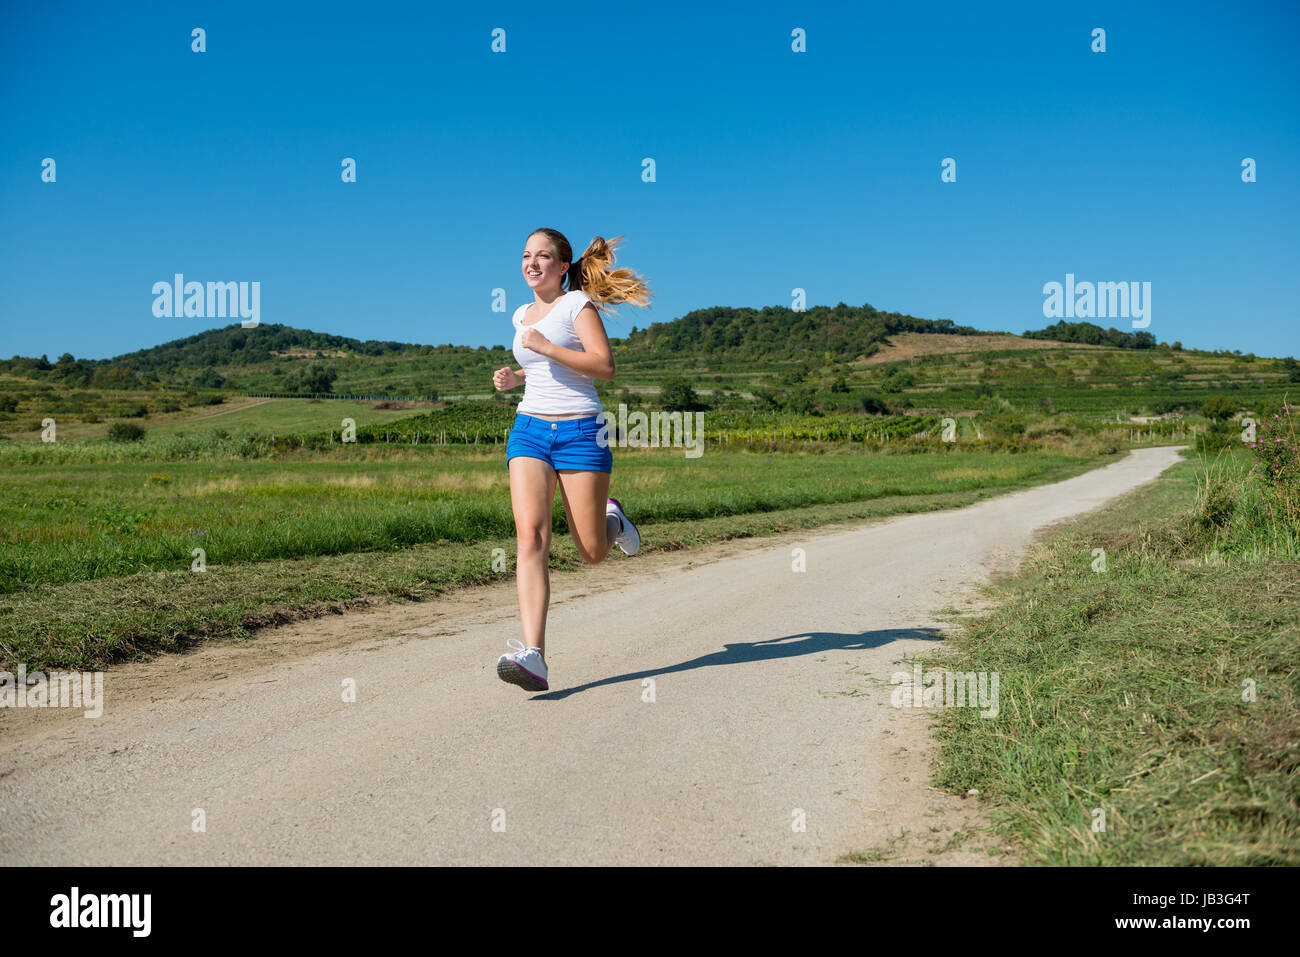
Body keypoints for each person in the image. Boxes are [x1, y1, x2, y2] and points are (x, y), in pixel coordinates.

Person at [491, 228, 652, 692]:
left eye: (543, 256)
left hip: (582, 432)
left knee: (591, 552)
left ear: (563, 266)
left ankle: (614, 522)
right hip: (530, 431)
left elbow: (603, 365)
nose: (532, 263)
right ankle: (534, 655)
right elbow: (545, 366)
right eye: (526, 255)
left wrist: (544, 347)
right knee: (531, 536)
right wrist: (517, 376)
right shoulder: (522, 314)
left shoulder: (577, 306)